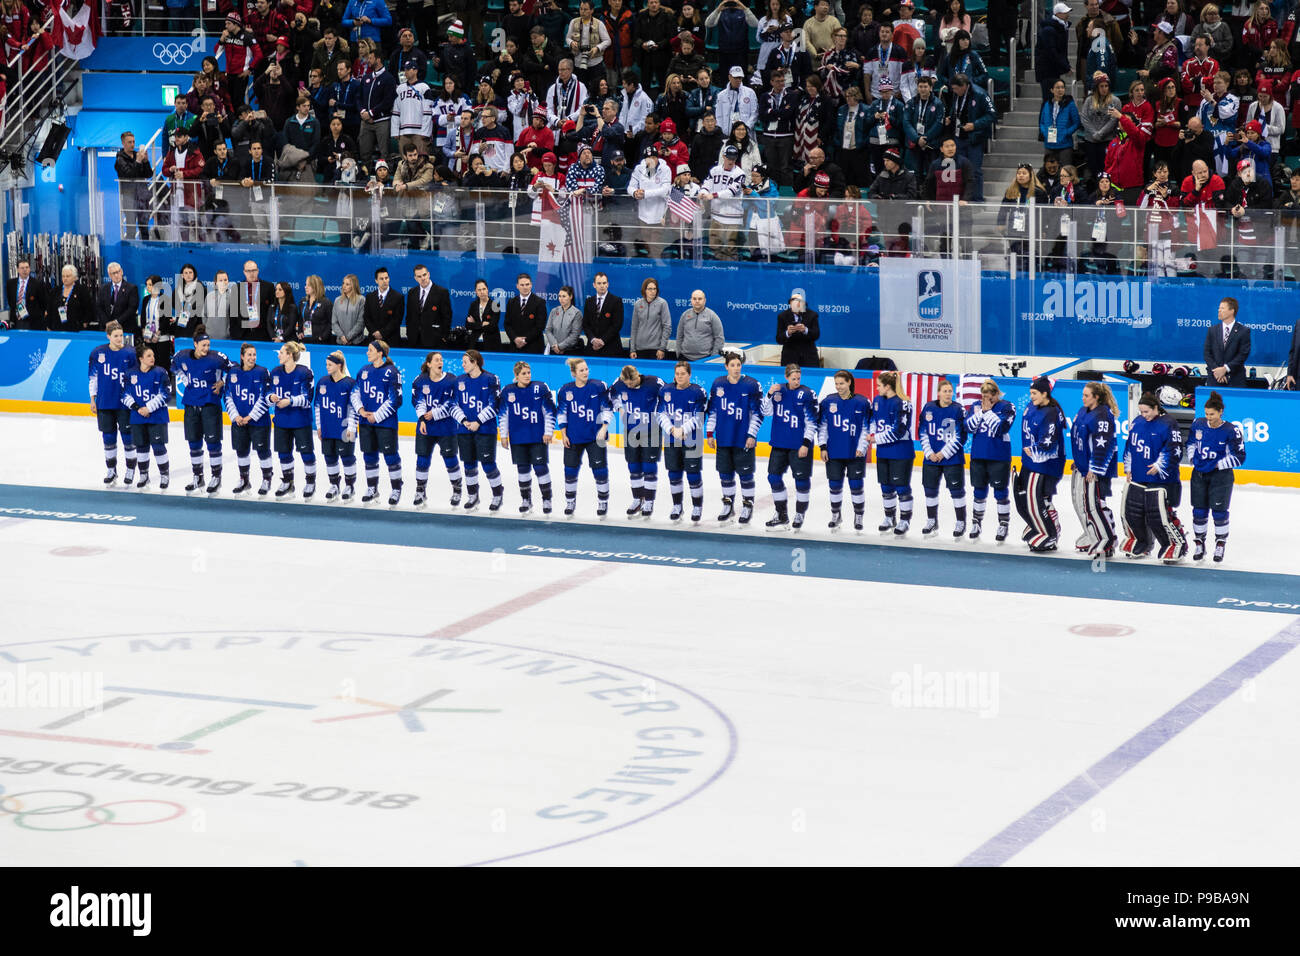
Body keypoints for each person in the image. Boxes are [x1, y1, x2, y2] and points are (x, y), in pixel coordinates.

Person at [1121, 392, 1188, 563]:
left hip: (1163, 480)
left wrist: (1159, 465)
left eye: (1147, 412)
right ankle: (1142, 542)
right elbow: (1130, 445)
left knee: (1158, 515)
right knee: (1132, 512)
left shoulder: (1168, 423)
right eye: (1141, 412)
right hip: (1138, 475)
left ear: (1156, 408)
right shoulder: (1137, 422)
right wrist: (1128, 466)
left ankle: (1174, 544)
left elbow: (1175, 449)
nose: (1144, 415)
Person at [1187, 391, 1245, 563]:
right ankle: (1199, 543)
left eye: (1212, 414)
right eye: (1206, 414)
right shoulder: (1198, 424)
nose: (1209, 417)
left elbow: (1239, 457)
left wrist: (1217, 465)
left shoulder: (1231, 430)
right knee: (1199, 510)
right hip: (1198, 474)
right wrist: (1192, 458)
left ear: (1221, 412)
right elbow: (1190, 443)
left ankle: (1220, 544)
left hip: (1221, 477)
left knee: (1219, 512)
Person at [706, 351, 763, 525]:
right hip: (724, 438)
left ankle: (747, 504)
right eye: (732, 365)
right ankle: (728, 504)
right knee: (725, 474)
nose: (736, 368)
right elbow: (713, 412)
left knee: (745, 474)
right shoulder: (718, 384)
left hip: (743, 438)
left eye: (738, 365)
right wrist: (709, 433)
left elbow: (758, 414)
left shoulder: (751, 385)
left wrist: (752, 434)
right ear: (726, 367)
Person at [758, 363, 818, 531]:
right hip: (779, 443)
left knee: (801, 480)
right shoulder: (778, 391)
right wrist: (769, 394)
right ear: (786, 377)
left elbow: (812, 423)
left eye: (799, 378)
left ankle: (800, 513)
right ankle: (781, 514)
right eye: (793, 378)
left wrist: (806, 443)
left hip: (799, 445)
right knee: (773, 477)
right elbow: (766, 412)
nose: (796, 381)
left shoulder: (807, 394)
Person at [173, 329, 232, 495]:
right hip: (191, 404)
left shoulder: (217, 358)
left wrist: (222, 381)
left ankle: (216, 477)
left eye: (208, 345)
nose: (206, 348)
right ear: (195, 344)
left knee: (213, 443)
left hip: (210, 404)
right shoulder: (182, 356)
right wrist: (186, 380)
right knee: (194, 443)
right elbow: (175, 367)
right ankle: (198, 476)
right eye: (203, 345)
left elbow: (233, 370)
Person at [555, 357, 613, 518]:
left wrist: (604, 427)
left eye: (586, 369)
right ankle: (570, 501)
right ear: (574, 373)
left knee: (600, 471)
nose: (585, 372)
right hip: (574, 436)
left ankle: (603, 502)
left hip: (595, 436)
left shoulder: (598, 386)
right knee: (570, 471)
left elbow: (607, 408)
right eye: (581, 370)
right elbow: (562, 414)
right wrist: (563, 433)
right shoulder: (565, 391)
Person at [348, 338, 402, 506]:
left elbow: (396, 400)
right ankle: (372, 488)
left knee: (391, 456)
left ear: (380, 353)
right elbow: (354, 394)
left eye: (370, 350)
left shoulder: (392, 372)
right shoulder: (364, 370)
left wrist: (376, 416)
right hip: (366, 422)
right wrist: (361, 411)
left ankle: (396, 488)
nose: (367, 352)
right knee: (369, 456)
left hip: (385, 423)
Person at [498, 360, 557, 515]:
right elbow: (504, 415)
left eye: (529, 372)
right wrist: (503, 435)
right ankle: (526, 499)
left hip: (537, 436)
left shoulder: (540, 388)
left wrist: (548, 431)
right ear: (516, 376)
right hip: (518, 437)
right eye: (523, 373)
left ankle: (547, 499)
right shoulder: (507, 391)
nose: (527, 376)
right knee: (522, 469)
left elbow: (550, 411)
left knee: (540, 468)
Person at [1016, 376, 1068, 552]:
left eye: (1035, 393)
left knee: (1039, 499)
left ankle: (1050, 532)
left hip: (1046, 466)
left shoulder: (1051, 413)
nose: (1031, 396)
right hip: (1030, 462)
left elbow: (1048, 444)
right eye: (1030, 393)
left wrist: (1035, 451)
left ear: (1045, 394)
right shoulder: (1033, 406)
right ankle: (1036, 524)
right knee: (1022, 498)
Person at [815, 369, 870, 532]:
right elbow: (822, 426)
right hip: (834, 451)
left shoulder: (862, 402)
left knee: (856, 485)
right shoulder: (828, 401)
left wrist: (862, 447)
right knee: (834, 485)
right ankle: (835, 514)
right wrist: (823, 446)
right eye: (836, 383)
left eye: (842, 383)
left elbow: (866, 428)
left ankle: (859, 515)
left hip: (855, 452)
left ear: (849, 383)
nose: (838, 386)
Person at [450, 348, 505, 512]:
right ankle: (473, 495)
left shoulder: (490, 379)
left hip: (485, 430)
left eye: (465, 362)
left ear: (475, 362)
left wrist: (478, 421)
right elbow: (452, 405)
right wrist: (465, 420)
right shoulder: (459, 381)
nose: (463, 365)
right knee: (469, 465)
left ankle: (497, 494)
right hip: (465, 429)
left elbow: (495, 405)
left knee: (488, 464)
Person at [608, 364, 664, 518]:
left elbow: (667, 396)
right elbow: (611, 395)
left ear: (637, 376)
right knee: (633, 466)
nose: (629, 386)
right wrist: (619, 408)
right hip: (631, 430)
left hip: (651, 430)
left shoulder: (654, 383)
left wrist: (658, 413)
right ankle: (637, 499)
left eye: (631, 383)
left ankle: (649, 501)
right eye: (626, 384)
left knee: (649, 466)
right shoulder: (619, 383)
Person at [1070, 382, 1119, 558]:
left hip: (1095, 470)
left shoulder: (1103, 416)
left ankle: (1106, 538)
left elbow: (1104, 445)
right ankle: (1093, 534)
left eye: (1086, 395)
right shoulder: (1084, 411)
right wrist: (1078, 461)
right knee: (1080, 503)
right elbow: (1079, 439)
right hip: (1083, 467)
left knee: (1094, 505)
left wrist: (1095, 468)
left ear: (1096, 397)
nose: (1083, 398)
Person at [411, 351, 465, 509]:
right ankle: (420, 491)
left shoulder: (451, 380)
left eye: (441, 360)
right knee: (422, 460)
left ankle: (457, 489)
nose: (440, 362)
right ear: (429, 364)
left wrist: (434, 414)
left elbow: (453, 403)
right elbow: (418, 401)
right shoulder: (420, 380)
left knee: (450, 460)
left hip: (446, 428)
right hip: (425, 427)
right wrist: (422, 418)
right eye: (436, 360)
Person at [88, 320, 138, 487]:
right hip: (105, 402)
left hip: (125, 404)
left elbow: (136, 378)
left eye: (121, 335)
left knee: (128, 438)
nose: (119, 339)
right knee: (108, 438)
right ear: (108, 336)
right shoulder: (97, 353)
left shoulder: (130, 353)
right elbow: (93, 378)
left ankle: (130, 470)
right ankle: (111, 470)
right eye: (116, 336)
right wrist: (92, 399)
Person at [964, 379, 1015, 542]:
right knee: (978, 491)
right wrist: (981, 412)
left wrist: (988, 412)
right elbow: (968, 427)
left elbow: (1002, 428)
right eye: (983, 396)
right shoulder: (976, 406)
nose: (986, 400)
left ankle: (1003, 523)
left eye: (989, 397)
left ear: (996, 395)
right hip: (978, 454)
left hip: (999, 455)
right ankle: (976, 522)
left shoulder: (1008, 407)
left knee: (1000, 492)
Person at [657, 360, 708, 523]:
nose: (679, 376)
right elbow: (659, 414)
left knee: (693, 474)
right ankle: (677, 505)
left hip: (692, 439)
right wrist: (672, 430)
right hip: (672, 438)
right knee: (674, 474)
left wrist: (683, 430)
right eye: (677, 374)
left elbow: (700, 417)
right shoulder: (665, 390)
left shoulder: (698, 392)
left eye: (683, 374)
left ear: (689, 374)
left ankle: (697, 507)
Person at [266, 340, 317, 499]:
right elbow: (266, 397)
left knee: (306, 453)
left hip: (300, 420)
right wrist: (271, 397)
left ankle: (310, 482)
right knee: (283, 453)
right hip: (282, 420)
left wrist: (290, 401)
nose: (279, 355)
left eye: (281, 352)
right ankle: (288, 482)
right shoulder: (274, 372)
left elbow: (307, 398)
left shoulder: (305, 373)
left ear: (289, 355)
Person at [919, 379, 968, 539]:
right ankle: (932, 520)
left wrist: (943, 453)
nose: (948, 394)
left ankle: (961, 521)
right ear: (938, 393)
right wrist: (929, 452)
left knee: (956, 491)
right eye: (945, 391)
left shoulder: (958, 410)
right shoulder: (928, 408)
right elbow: (923, 432)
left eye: (950, 391)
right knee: (930, 490)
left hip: (952, 459)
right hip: (931, 459)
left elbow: (961, 436)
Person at [868, 369, 915, 535]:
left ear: (888, 386)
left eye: (879, 386)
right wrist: (873, 434)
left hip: (901, 452)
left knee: (901, 487)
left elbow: (900, 430)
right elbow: (873, 421)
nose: (877, 389)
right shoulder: (877, 400)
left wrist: (876, 439)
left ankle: (904, 520)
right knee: (886, 487)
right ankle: (889, 517)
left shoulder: (903, 403)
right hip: (883, 452)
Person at [225, 342, 275, 497]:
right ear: (242, 356)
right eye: (249, 355)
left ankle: (267, 479)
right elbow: (227, 396)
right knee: (241, 451)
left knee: (262, 451)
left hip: (259, 422)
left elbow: (265, 398)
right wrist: (235, 416)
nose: (252, 358)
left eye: (254, 355)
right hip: (239, 421)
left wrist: (250, 416)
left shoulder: (262, 372)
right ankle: (244, 479)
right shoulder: (232, 373)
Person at [123, 345, 172, 492]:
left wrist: (148, 408)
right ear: (141, 359)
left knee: (158, 446)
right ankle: (144, 475)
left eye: (153, 355)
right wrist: (138, 408)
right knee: (141, 447)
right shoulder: (130, 374)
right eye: (149, 356)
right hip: (138, 417)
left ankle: (164, 475)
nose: (153, 358)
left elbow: (166, 395)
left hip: (157, 416)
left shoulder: (160, 372)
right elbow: (124, 395)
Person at [313, 351, 358, 502]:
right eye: (326, 364)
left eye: (330, 364)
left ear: (339, 365)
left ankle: (350, 486)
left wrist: (351, 428)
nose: (327, 367)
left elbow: (354, 408)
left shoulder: (350, 383)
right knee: (329, 457)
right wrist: (319, 426)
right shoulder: (322, 382)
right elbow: (318, 406)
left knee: (347, 457)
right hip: (327, 428)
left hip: (344, 429)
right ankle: (334, 485)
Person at [1203, 296, 1251, 387]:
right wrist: (1217, 371)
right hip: (1214, 379)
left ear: (1232, 311)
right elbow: (1207, 353)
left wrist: (1225, 369)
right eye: (1219, 308)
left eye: (1222, 308)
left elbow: (1242, 354)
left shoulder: (1243, 331)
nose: (1219, 310)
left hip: (1235, 380)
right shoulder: (1212, 330)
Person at [406, 263, 452, 349]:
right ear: (415, 278)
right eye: (419, 276)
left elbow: (447, 316)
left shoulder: (441, 292)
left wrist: (444, 336)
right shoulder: (412, 292)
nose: (423, 278)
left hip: (434, 340)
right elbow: (409, 316)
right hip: (414, 339)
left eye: (424, 275)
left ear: (429, 274)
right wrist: (409, 333)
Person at [1036, 3, 1072, 103]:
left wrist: (1065, 65)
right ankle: (1044, 119)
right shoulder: (1049, 30)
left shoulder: (1060, 28)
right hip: (1047, 71)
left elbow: (1060, 51)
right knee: (1048, 101)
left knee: (1053, 101)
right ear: (1058, 14)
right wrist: (1065, 66)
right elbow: (1052, 52)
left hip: (1053, 70)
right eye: (1065, 12)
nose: (1067, 14)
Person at [675, 289, 725, 361]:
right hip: (684, 358)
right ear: (691, 300)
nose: (697, 301)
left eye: (700, 299)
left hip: (705, 359)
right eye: (694, 299)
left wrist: (713, 357)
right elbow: (679, 335)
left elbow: (719, 338)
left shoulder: (712, 316)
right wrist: (679, 353)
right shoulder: (685, 315)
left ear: (704, 300)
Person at [775, 290, 820, 367]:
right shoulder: (782, 316)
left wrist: (805, 330)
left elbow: (816, 335)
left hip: (808, 357)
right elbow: (779, 339)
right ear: (790, 304)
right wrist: (788, 333)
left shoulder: (812, 315)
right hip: (790, 358)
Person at [504, 273, 548, 353]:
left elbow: (540, 326)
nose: (525, 287)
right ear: (517, 286)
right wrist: (515, 338)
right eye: (522, 285)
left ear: (531, 285)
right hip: (515, 347)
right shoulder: (511, 302)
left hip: (534, 347)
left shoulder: (540, 302)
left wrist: (525, 340)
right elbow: (507, 324)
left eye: (527, 284)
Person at [583, 272, 623, 356]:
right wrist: (593, 340)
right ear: (594, 285)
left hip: (611, 349)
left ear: (608, 284)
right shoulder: (588, 301)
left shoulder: (616, 301)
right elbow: (585, 324)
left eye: (604, 283)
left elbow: (617, 325)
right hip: (592, 349)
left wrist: (602, 341)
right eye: (599, 283)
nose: (602, 286)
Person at [5, 257, 50, 329]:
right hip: (16, 320)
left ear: (29, 269)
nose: (25, 270)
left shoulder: (38, 284)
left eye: (27, 267)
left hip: (33, 322)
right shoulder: (10, 283)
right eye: (22, 268)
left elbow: (43, 303)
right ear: (18, 269)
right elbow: (11, 301)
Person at [94, 263, 139, 334]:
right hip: (107, 329)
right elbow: (99, 307)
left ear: (122, 272)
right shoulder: (103, 288)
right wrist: (107, 323)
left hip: (125, 328)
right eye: (113, 273)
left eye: (118, 272)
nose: (116, 275)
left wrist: (116, 322)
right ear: (109, 275)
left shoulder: (131, 288)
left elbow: (132, 309)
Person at [364, 267, 404, 344]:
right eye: (381, 279)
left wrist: (382, 333)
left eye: (386, 278)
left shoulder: (398, 297)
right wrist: (375, 332)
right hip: (373, 339)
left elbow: (397, 319)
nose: (385, 281)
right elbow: (366, 318)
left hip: (391, 340)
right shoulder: (370, 297)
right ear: (376, 280)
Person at [51, 265, 94, 333]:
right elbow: (50, 308)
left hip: (76, 328)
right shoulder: (56, 290)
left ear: (74, 277)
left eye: (68, 276)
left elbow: (89, 308)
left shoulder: (82, 290)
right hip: (57, 328)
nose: (65, 278)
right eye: (63, 276)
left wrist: (85, 323)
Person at [465, 278, 501, 351]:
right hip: (475, 343)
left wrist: (475, 324)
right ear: (476, 292)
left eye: (484, 289)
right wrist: (482, 324)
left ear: (487, 290)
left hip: (491, 343)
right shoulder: (473, 305)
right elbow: (468, 325)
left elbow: (492, 327)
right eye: (479, 290)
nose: (482, 292)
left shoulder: (495, 305)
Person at [332, 273, 366, 345]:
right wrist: (341, 336)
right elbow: (334, 322)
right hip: (340, 342)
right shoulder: (337, 300)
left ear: (353, 286)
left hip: (356, 342)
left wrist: (348, 337)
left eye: (347, 284)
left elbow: (361, 322)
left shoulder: (361, 300)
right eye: (343, 283)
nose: (344, 286)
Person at [298, 275, 332, 346]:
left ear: (316, 286)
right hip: (305, 340)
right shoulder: (303, 301)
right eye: (305, 284)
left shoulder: (326, 302)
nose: (305, 287)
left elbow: (331, 322)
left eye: (308, 285)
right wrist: (300, 331)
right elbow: (300, 319)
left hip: (320, 342)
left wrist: (322, 337)